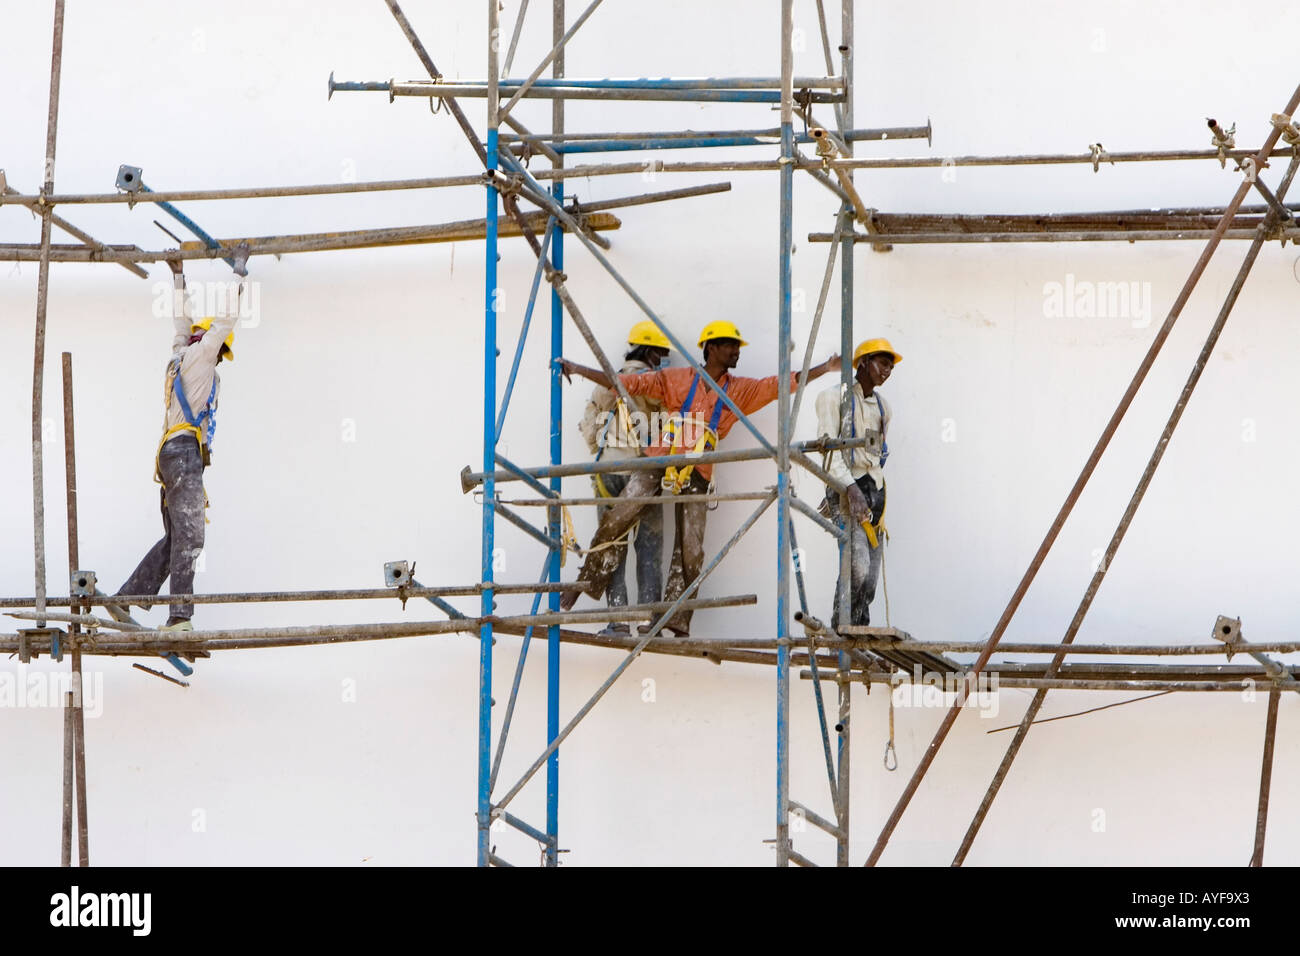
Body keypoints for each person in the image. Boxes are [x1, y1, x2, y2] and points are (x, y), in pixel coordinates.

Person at [557, 320, 841, 636]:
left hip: (699, 471)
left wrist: (825, 369)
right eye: (730, 346)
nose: (736, 352)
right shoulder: (678, 380)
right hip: (661, 459)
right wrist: (579, 369)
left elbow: (780, 384)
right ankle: (585, 581)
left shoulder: (739, 390)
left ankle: (675, 620)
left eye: (736, 346)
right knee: (618, 517)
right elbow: (626, 385)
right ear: (710, 348)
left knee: (690, 547)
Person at [113, 260, 246, 632]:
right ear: (206, 343)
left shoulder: (178, 356)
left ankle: (128, 598)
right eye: (217, 349)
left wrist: (178, 277)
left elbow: (180, 323)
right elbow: (223, 323)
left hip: (171, 456)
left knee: (176, 537)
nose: (218, 356)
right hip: (184, 454)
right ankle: (179, 618)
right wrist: (239, 274)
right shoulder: (202, 356)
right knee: (190, 538)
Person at [576, 321, 670, 636]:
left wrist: (598, 447)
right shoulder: (657, 382)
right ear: (650, 351)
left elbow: (589, 424)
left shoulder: (607, 381)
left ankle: (617, 621)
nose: (663, 360)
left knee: (611, 544)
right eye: (661, 353)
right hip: (642, 473)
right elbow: (669, 426)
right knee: (648, 546)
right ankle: (647, 621)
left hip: (607, 472)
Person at [814, 337, 900, 629]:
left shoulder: (883, 407)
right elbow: (828, 452)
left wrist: (873, 493)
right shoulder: (833, 398)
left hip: (874, 490)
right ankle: (843, 631)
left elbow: (877, 455)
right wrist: (847, 488)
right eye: (881, 363)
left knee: (871, 578)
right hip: (847, 486)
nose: (886, 371)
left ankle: (860, 632)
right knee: (857, 567)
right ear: (862, 362)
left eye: (890, 366)